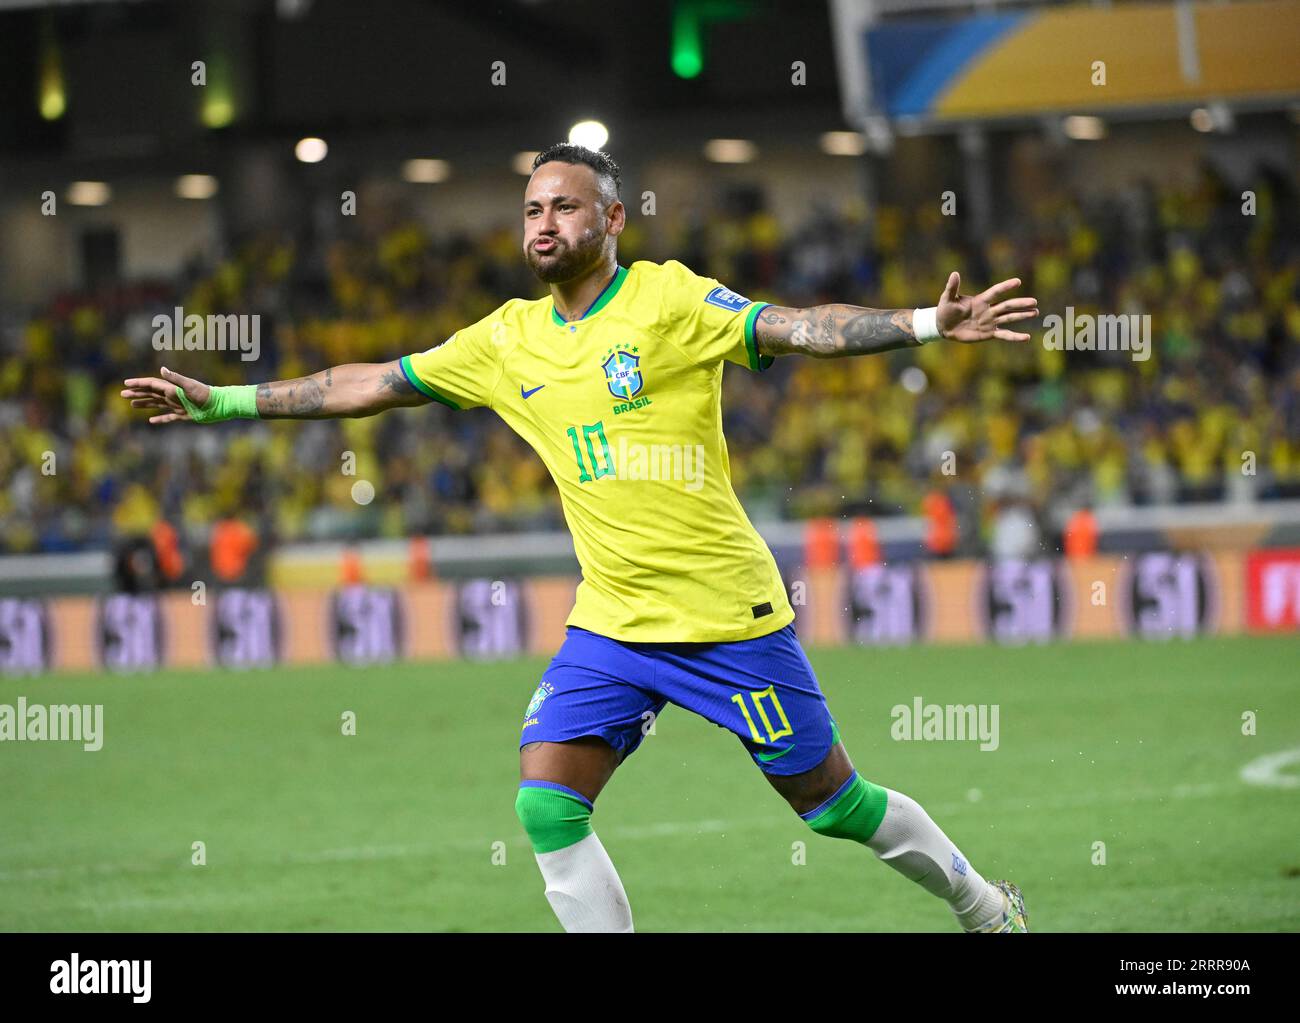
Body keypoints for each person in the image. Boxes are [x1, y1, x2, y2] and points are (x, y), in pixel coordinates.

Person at [122, 143, 1039, 933]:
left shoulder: (669, 301)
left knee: (834, 806)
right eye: (531, 209)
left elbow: (798, 328)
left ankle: (982, 907)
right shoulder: (506, 339)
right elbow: (371, 384)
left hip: (726, 616)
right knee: (546, 804)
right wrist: (223, 401)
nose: (543, 223)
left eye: (564, 206)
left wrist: (924, 322)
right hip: (610, 622)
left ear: (613, 219)